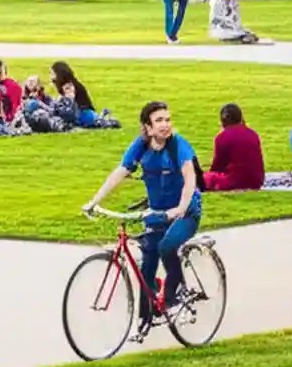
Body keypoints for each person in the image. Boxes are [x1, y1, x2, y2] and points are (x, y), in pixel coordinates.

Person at [83, 101, 202, 333]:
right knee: (147, 263)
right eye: (159, 120)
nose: (165, 125)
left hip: (185, 212)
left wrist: (181, 208)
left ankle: (170, 298)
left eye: (167, 119)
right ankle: (144, 320)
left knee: (166, 247)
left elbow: (190, 179)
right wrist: (94, 201)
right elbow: (120, 171)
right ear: (147, 127)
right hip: (157, 214)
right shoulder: (141, 146)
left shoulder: (178, 146)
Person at [203, 103, 264, 191]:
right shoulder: (252, 133)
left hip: (236, 182)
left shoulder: (222, 137)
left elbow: (218, 167)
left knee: (204, 178)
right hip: (257, 181)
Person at [49, 61, 107, 127]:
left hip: (83, 113)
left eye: (52, 73)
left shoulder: (69, 86)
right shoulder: (68, 83)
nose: (50, 76)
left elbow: (70, 104)